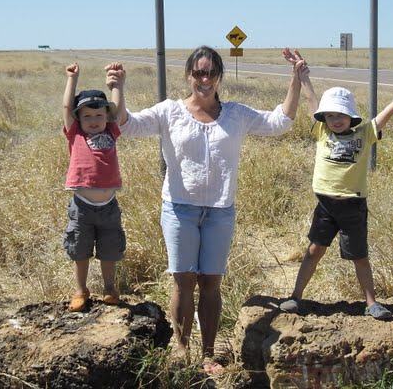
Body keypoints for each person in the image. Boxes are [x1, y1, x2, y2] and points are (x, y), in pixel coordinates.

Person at [108, 46, 306, 373]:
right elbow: (128, 125)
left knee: (211, 284)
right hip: (179, 210)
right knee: (183, 282)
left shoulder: (236, 114)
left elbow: (280, 122)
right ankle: (183, 349)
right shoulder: (170, 111)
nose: (204, 78)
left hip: (219, 213)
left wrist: (295, 80)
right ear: (188, 75)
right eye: (198, 72)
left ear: (219, 77)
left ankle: (209, 354)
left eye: (211, 72)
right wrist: (118, 87)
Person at [279, 48, 393, 320]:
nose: (335, 120)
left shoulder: (365, 133)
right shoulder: (321, 131)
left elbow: (388, 111)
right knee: (314, 250)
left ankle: (371, 303)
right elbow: (310, 99)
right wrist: (302, 73)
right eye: (330, 116)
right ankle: (295, 296)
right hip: (326, 205)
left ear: (351, 116)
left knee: (359, 255)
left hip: (353, 204)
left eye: (340, 115)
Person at [61, 62, 129, 313]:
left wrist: (118, 85)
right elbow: (67, 107)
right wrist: (72, 79)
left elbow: (119, 110)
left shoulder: (112, 131)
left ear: (106, 118)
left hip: (109, 206)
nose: (93, 120)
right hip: (82, 206)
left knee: (109, 249)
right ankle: (80, 290)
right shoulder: (75, 134)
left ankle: (110, 288)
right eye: (87, 116)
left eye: (99, 115)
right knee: (80, 249)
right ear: (79, 118)